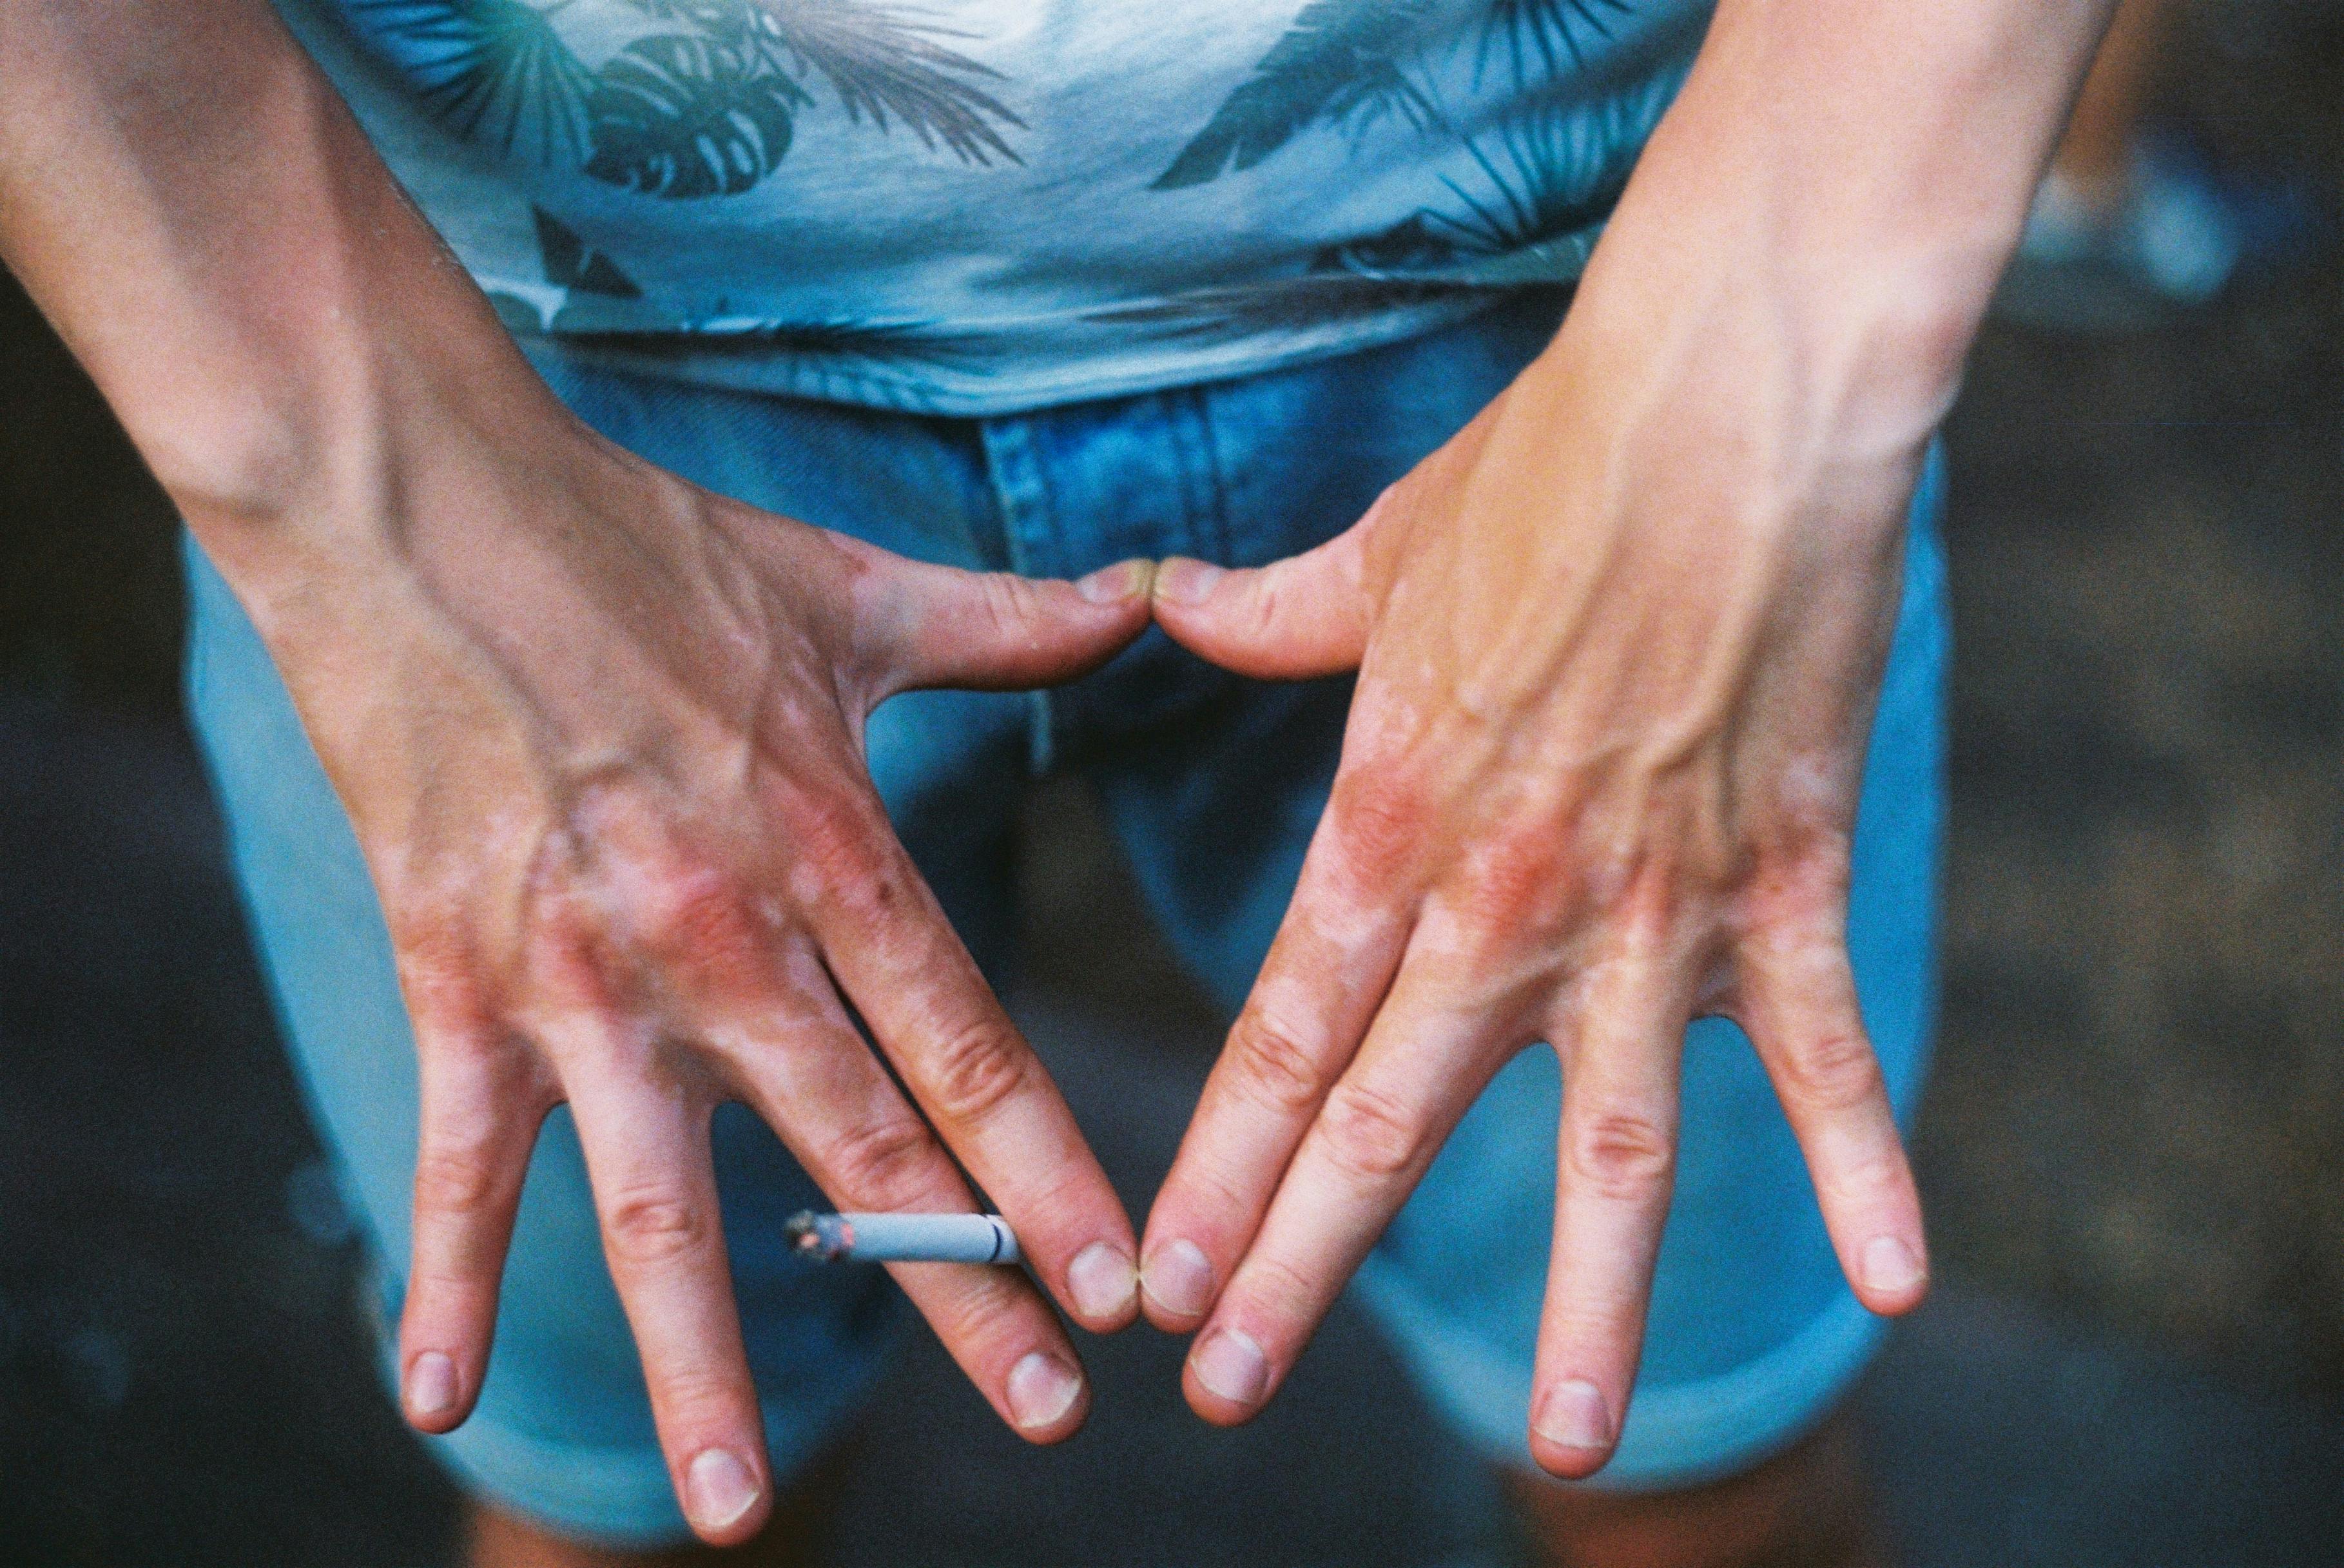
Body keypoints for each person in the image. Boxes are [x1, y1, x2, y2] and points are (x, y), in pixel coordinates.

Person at [0, 2, 2116, 1564]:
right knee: (636, 1496)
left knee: (1699, 1484)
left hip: (1622, 324)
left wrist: (1775, 353)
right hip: (480, 403)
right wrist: (349, 469)